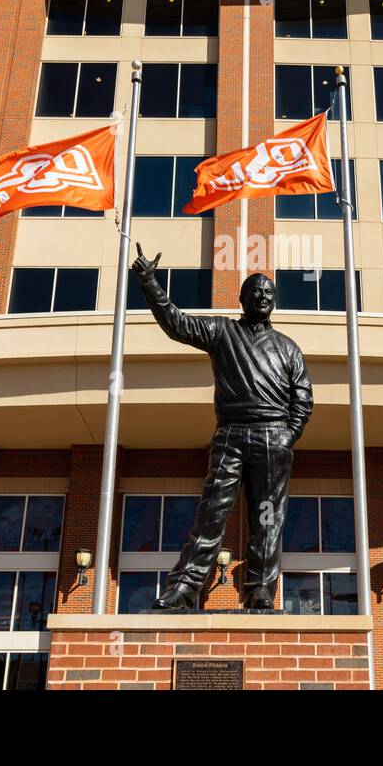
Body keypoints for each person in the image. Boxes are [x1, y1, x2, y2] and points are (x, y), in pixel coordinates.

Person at [131, 245, 313, 610]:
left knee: (267, 517)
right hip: (230, 435)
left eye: (268, 292)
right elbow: (177, 323)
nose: (261, 296)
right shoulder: (221, 331)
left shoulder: (288, 348)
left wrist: (287, 435)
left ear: (274, 302)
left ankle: (261, 589)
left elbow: (303, 398)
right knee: (212, 512)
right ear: (242, 298)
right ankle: (184, 586)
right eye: (255, 291)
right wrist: (150, 282)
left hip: (272, 439)